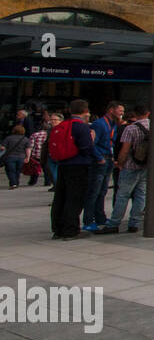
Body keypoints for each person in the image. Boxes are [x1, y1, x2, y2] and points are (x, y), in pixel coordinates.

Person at [100, 102, 150, 235]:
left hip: (130, 165)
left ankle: (114, 223)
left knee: (123, 195)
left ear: (135, 114)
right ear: (148, 113)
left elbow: (125, 150)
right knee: (141, 194)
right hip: (146, 165)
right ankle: (134, 222)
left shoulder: (130, 128)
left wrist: (120, 163)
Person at [49, 99, 95, 240]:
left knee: (61, 196)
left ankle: (58, 228)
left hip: (63, 164)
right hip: (78, 165)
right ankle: (71, 229)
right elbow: (87, 148)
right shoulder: (82, 127)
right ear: (85, 111)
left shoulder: (64, 124)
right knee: (74, 198)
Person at [82, 101, 121, 230]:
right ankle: (88, 220)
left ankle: (100, 217)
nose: (122, 113)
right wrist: (99, 158)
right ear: (111, 110)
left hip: (108, 158)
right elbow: (92, 142)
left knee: (102, 191)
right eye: (119, 110)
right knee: (94, 191)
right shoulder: (99, 124)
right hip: (101, 159)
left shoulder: (113, 124)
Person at [1, 124, 30, 189]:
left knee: (11, 171)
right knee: (18, 171)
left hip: (10, 157)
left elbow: (3, 148)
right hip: (21, 157)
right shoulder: (25, 139)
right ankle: (16, 182)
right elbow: (28, 149)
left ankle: (13, 183)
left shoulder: (8, 138)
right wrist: (27, 157)